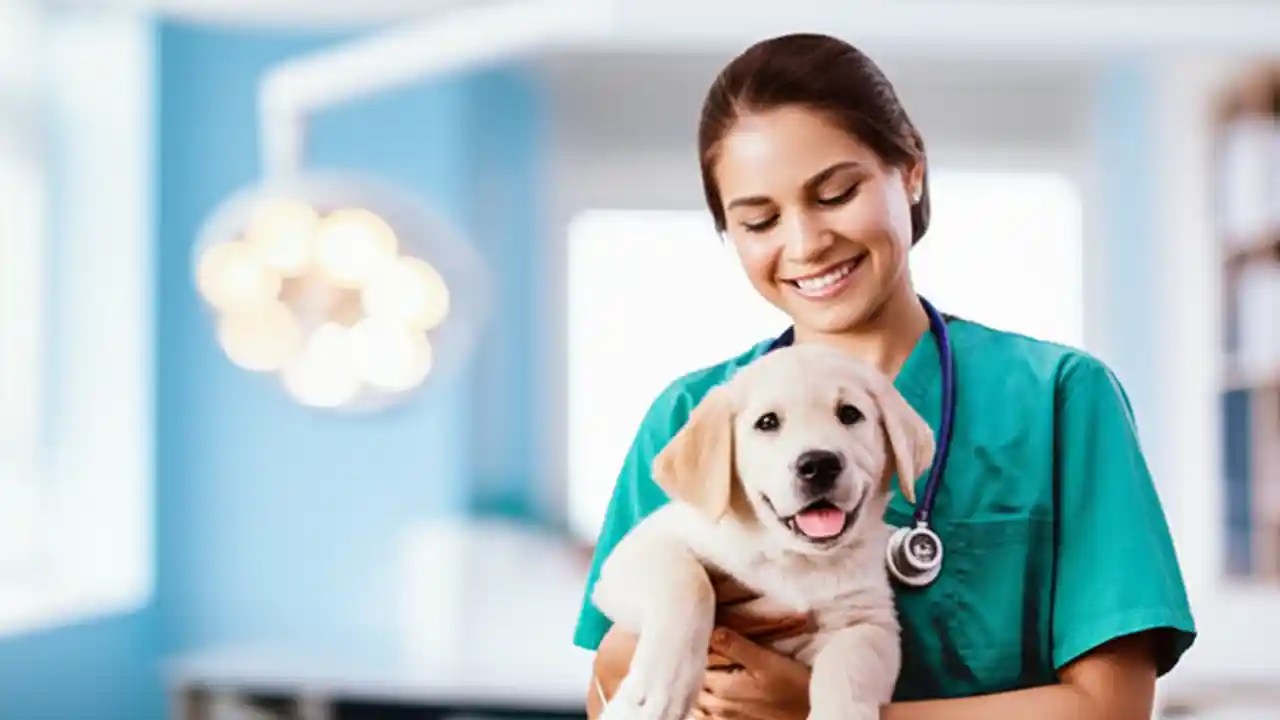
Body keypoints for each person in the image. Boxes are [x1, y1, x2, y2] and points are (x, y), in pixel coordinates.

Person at [572, 32, 1197, 719]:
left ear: (910, 171)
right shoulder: (693, 413)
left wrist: (816, 709)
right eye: (759, 220)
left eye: (836, 193)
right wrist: (679, 627)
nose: (807, 243)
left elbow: (1111, 708)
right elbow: (610, 680)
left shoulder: (1060, 399)